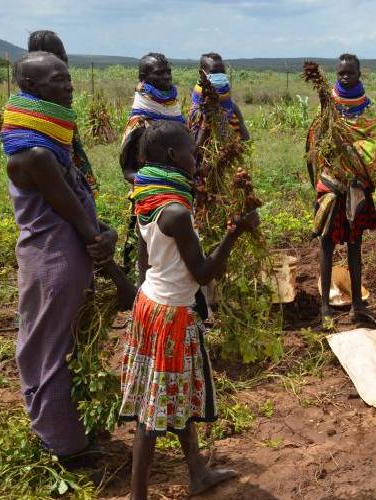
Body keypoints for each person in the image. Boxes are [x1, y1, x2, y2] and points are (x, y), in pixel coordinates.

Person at [1, 52, 133, 461]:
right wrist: (119, 275)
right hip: (55, 263)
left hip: (62, 260)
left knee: (63, 346)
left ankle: (73, 433)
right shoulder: (37, 154)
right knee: (48, 352)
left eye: (68, 77)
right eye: (58, 80)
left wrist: (107, 232)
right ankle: (65, 445)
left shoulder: (48, 146)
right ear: (32, 88)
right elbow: (80, 221)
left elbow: (83, 214)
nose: (69, 85)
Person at [121, 120, 259, 499]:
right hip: (170, 316)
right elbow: (201, 273)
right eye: (189, 151)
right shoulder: (177, 211)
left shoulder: (145, 196)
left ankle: (198, 473)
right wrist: (236, 232)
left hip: (151, 304)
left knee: (175, 394)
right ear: (171, 156)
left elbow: (147, 261)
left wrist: (140, 296)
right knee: (152, 416)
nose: (195, 157)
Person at [307, 53, 376, 323]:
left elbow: (375, 144)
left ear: (359, 74)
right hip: (330, 185)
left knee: (354, 244)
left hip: (357, 187)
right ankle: (325, 305)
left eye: (350, 73)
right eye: (341, 73)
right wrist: (335, 161)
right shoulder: (327, 107)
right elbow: (317, 145)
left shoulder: (369, 109)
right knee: (326, 245)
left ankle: (357, 305)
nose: (345, 77)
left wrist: (352, 157)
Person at [120, 53, 186, 284]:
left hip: (181, 198)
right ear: (143, 78)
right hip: (150, 200)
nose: (166, 76)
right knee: (147, 253)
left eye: (168, 71)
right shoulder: (139, 123)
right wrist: (157, 185)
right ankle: (145, 305)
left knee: (181, 253)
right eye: (159, 72)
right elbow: (127, 171)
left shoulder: (175, 114)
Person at [27, 30, 98, 196]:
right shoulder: (32, 108)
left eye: (62, 56)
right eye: (52, 56)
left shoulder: (60, 95)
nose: (60, 62)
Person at [188, 52, 250, 143]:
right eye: (214, 73)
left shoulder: (232, 107)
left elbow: (245, 138)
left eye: (222, 72)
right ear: (202, 73)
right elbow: (194, 146)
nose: (220, 76)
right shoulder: (197, 109)